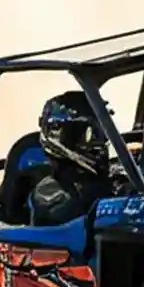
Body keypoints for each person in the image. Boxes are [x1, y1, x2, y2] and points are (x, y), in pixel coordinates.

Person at [30, 90, 112, 226]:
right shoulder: (51, 196)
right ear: (61, 136)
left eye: (100, 131)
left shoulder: (92, 177)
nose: (98, 142)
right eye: (88, 134)